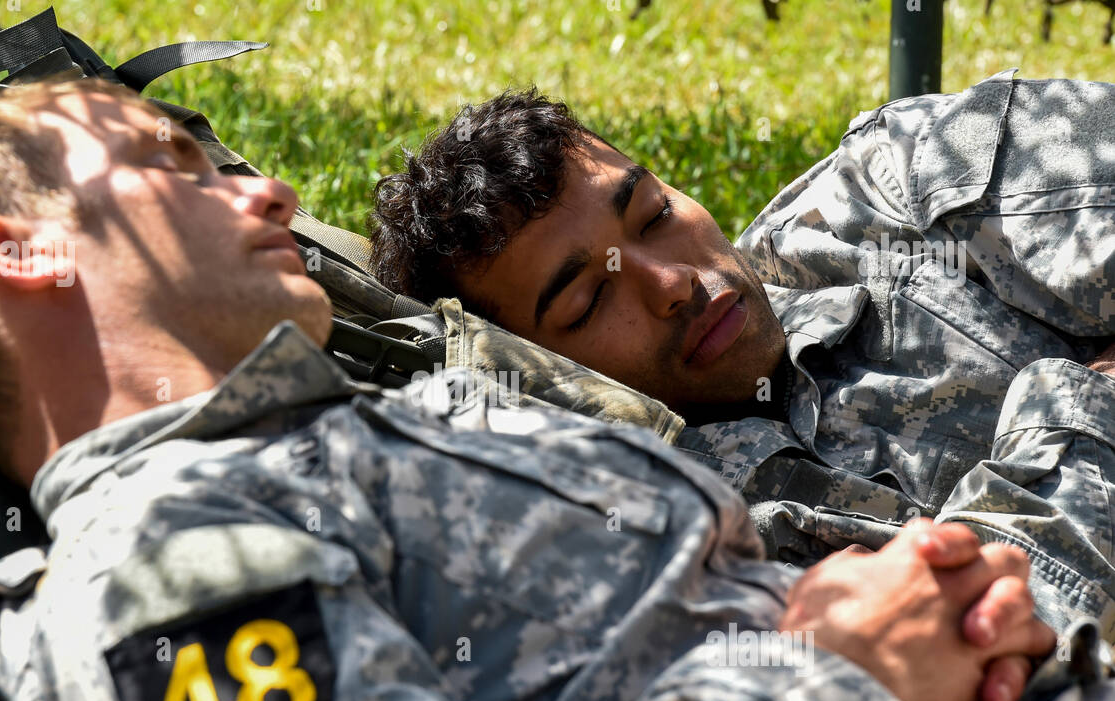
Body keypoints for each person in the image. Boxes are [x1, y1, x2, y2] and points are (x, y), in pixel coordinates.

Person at [0, 78, 1110, 701]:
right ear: (17, 248)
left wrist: (924, 598)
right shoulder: (165, 550)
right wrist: (835, 679)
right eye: (175, 164)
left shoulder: (323, 442)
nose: (264, 185)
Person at [368, 73, 1115, 636]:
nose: (673, 282)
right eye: (589, 301)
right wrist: (1084, 400)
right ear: (535, 373)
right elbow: (1009, 652)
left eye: (654, 214)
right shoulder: (687, 558)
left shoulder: (891, 192)